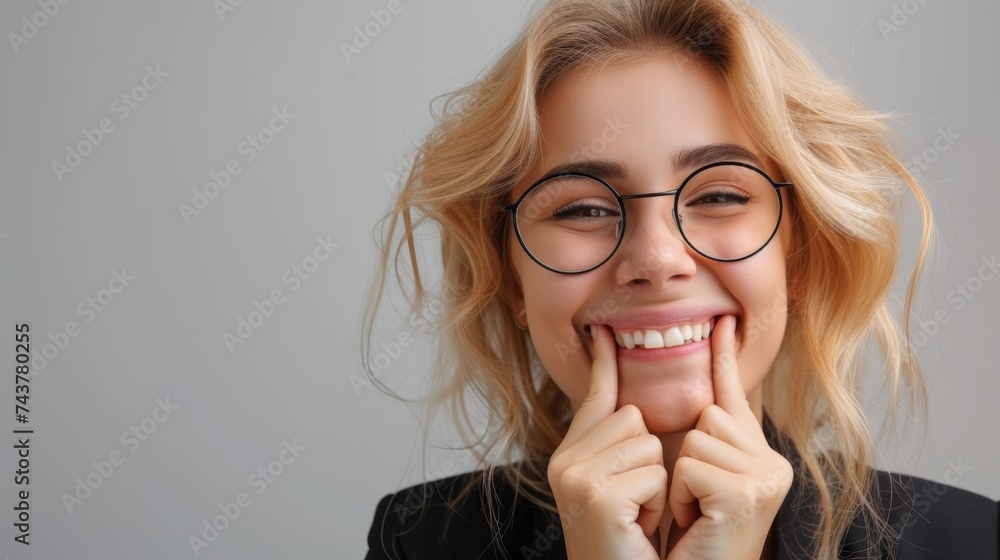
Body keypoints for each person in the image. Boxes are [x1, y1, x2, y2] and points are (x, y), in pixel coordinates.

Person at [361, 0, 999, 558]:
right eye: (582, 208)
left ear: (798, 253)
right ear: (510, 278)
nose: (657, 259)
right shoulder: (417, 543)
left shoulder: (973, 542)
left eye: (720, 195)